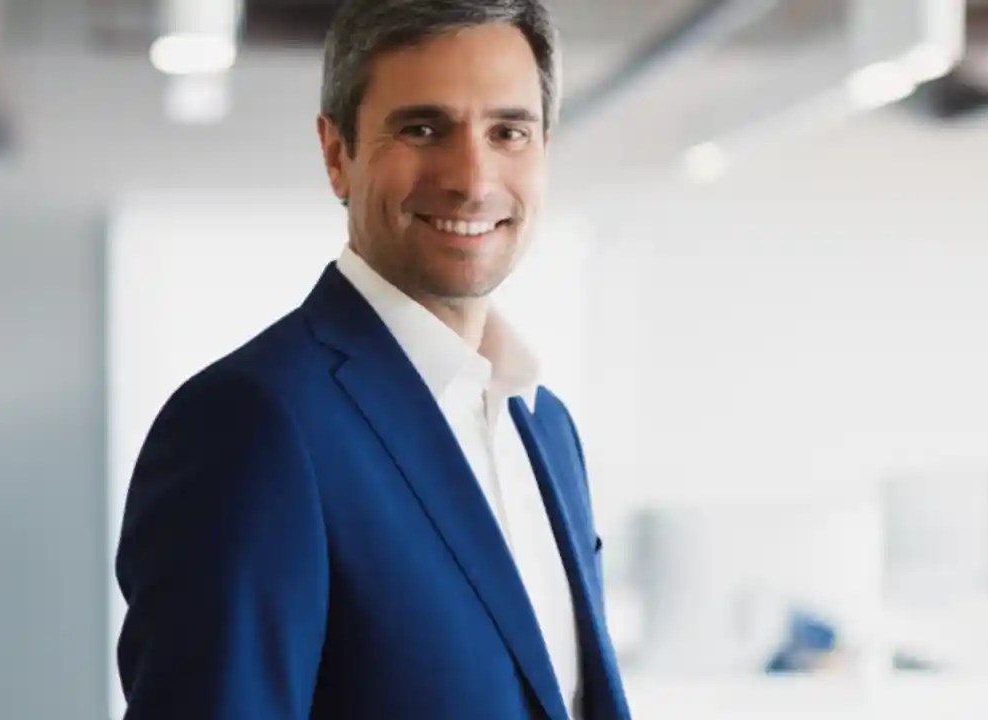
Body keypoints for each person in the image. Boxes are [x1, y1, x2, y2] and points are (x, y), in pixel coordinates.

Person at [114, 0, 630, 717]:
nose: (472, 178)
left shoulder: (545, 430)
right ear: (337, 154)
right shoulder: (252, 425)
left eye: (508, 131)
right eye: (424, 128)